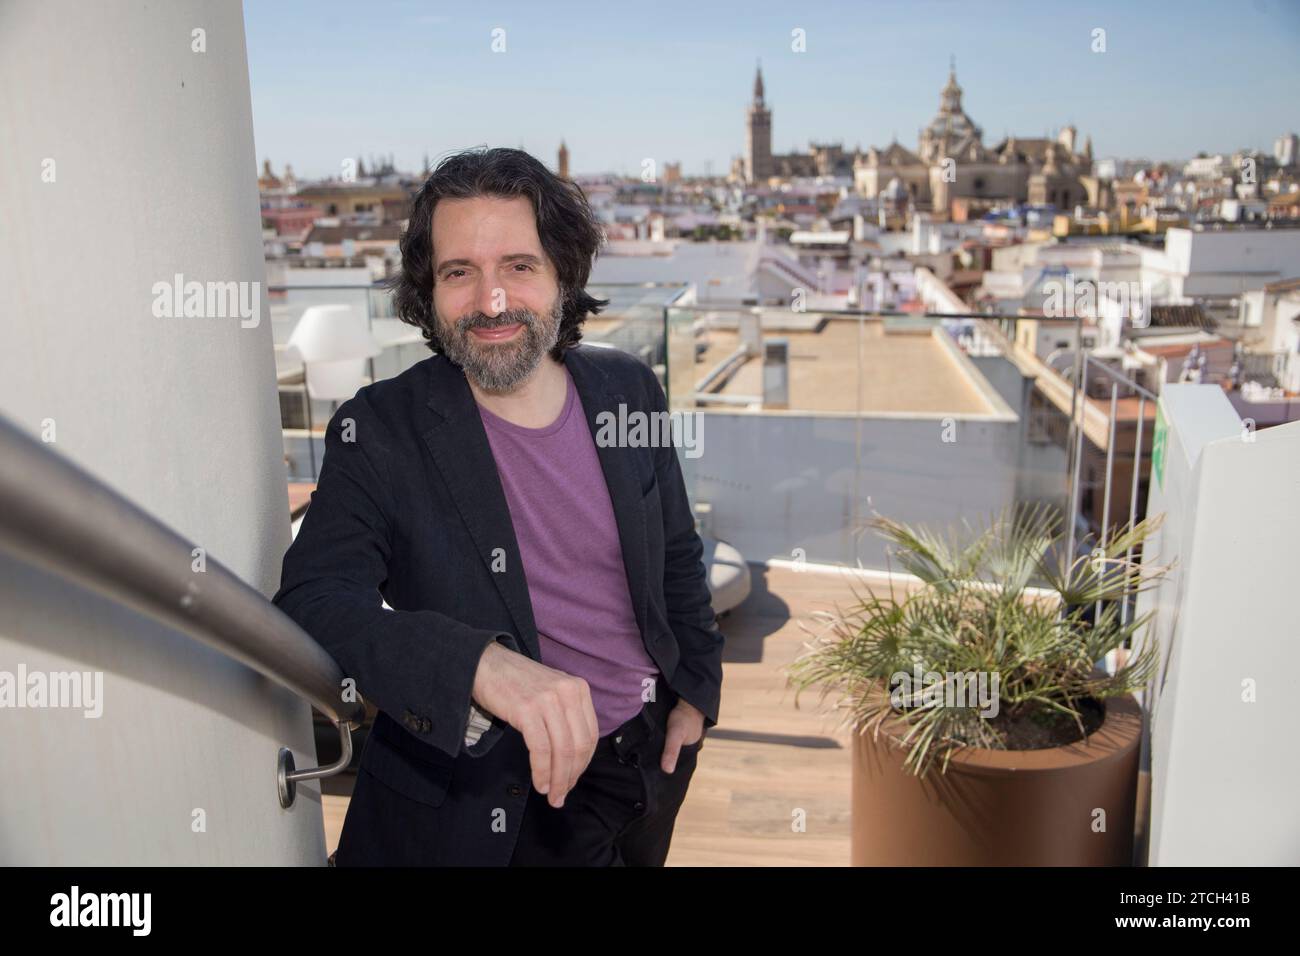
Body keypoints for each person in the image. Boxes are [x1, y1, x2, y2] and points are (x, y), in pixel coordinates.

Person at [272, 147, 724, 866]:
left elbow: (675, 551)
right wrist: (477, 664)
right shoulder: (383, 429)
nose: (491, 301)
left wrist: (695, 696)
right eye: (460, 273)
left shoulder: (627, 390)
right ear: (429, 290)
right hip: (487, 802)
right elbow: (315, 597)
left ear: (562, 276)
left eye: (519, 266)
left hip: (646, 763)